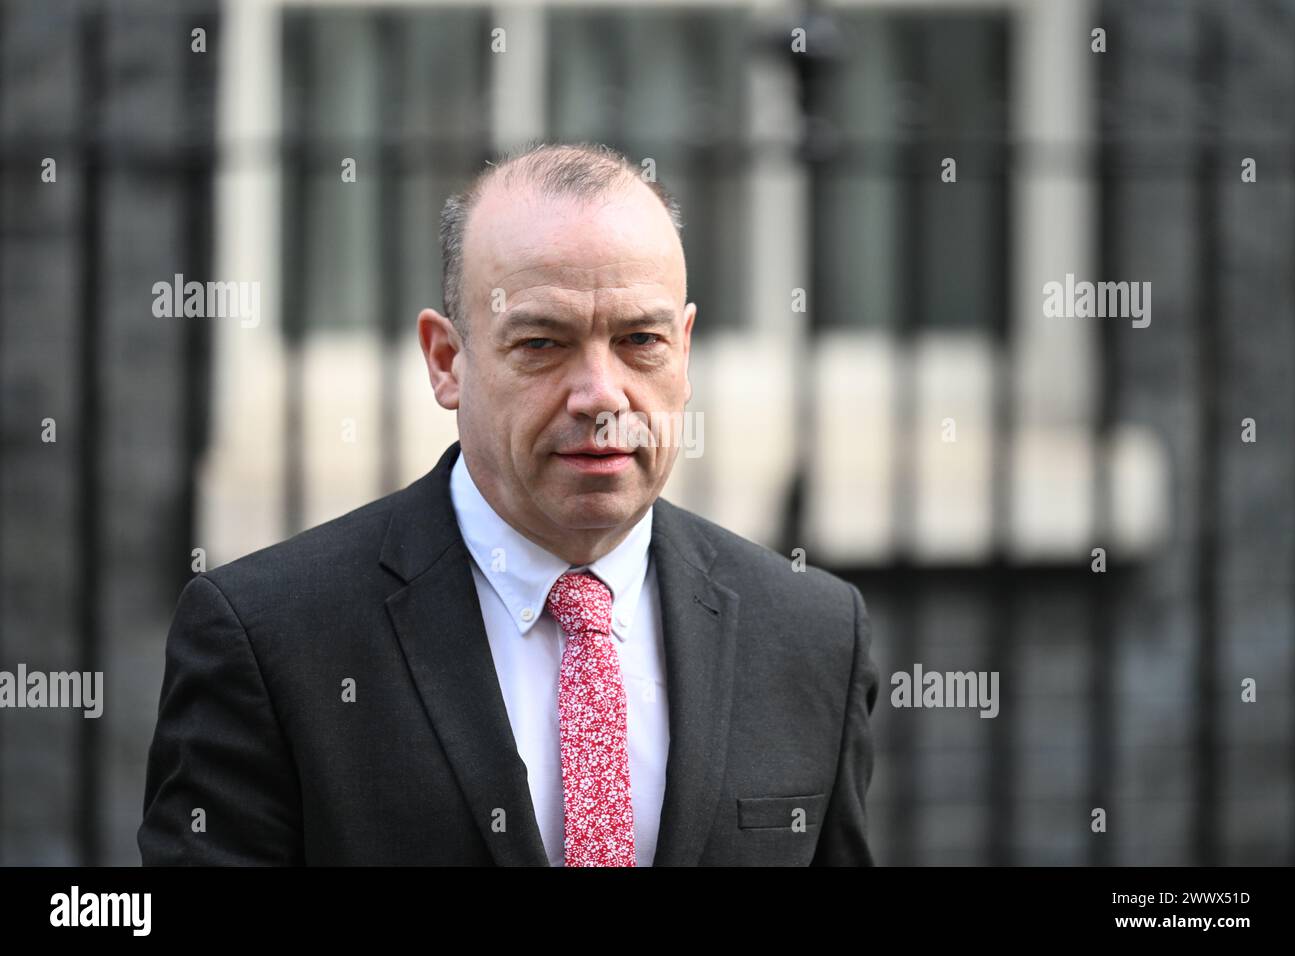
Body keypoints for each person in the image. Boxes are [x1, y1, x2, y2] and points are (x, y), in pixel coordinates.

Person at [139, 141, 880, 866]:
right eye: (542, 343)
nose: (601, 395)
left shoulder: (814, 637)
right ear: (446, 361)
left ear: (682, 351)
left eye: (639, 340)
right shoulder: (270, 639)